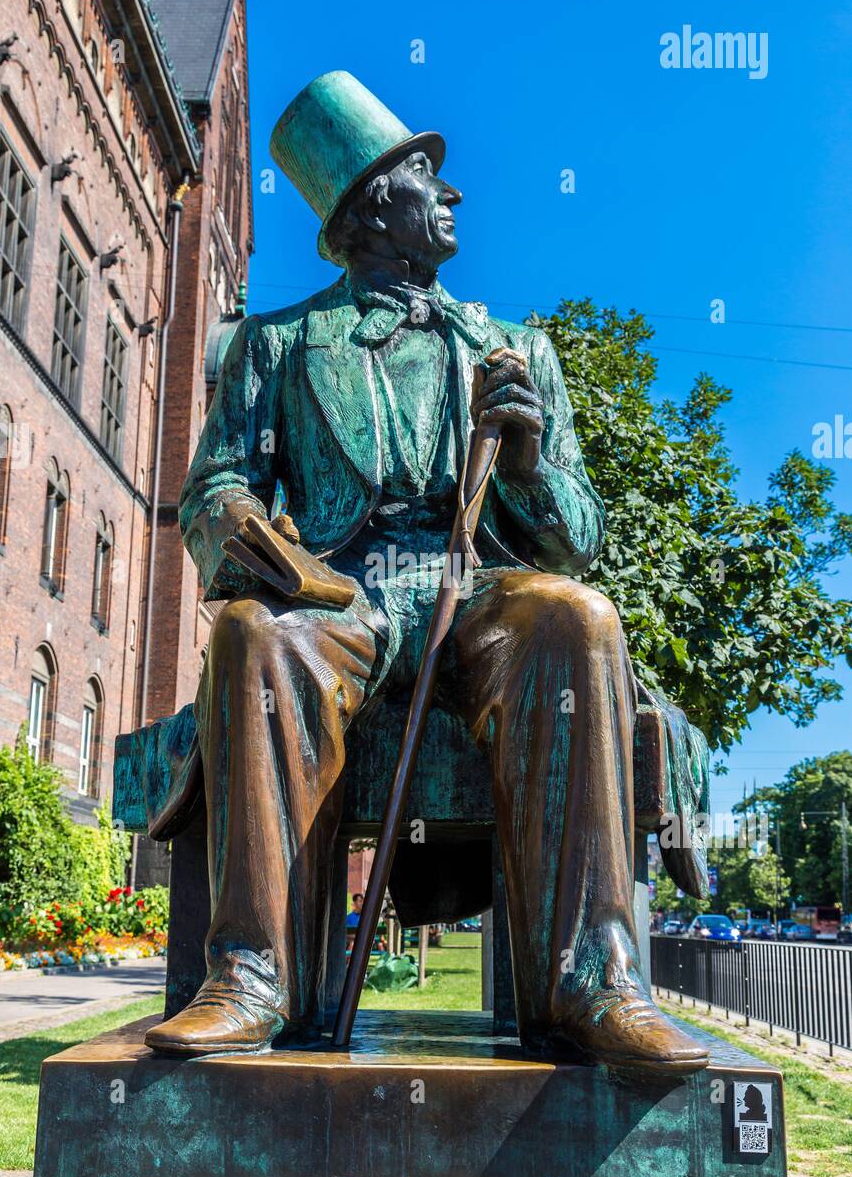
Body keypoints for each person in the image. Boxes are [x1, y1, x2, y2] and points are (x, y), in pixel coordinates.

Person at [144, 72, 709, 1076]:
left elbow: (574, 537)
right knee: (251, 632)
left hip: (477, 592)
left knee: (574, 615)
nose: (451, 196)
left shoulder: (512, 346)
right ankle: (248, 979)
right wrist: (240, 533)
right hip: (338, 590)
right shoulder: (271, 345)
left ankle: (594, 982)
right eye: (424, 178)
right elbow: (217, 483)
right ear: (370, 208)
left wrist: (530, 466)